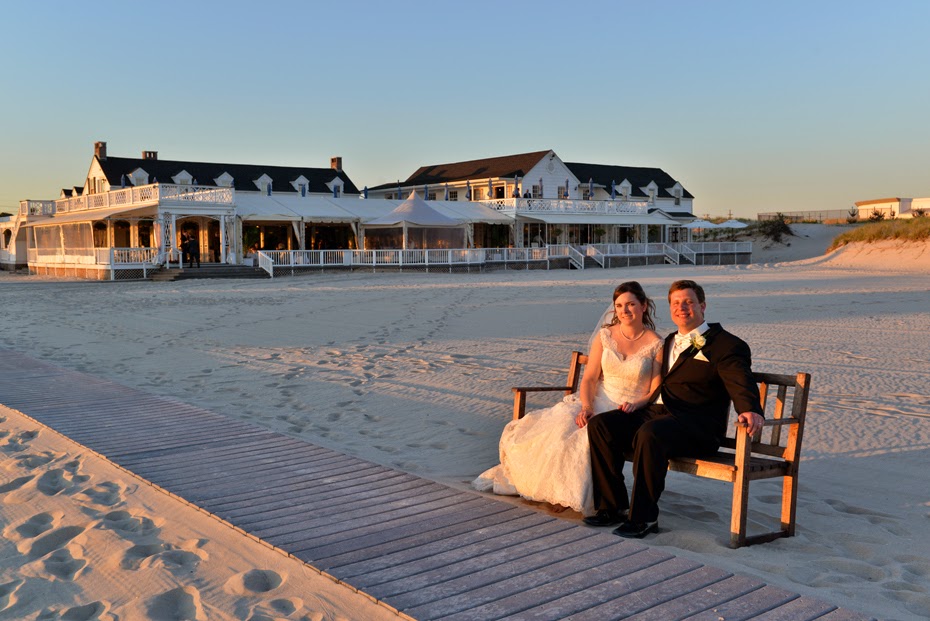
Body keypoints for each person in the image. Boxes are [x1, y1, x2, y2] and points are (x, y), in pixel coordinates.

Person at [583, 279, 764, 538]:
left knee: (650, 433)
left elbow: (739, 379)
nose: (682, 308)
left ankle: (643, 519)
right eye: (676, 303)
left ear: (702, 305)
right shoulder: (668, 341)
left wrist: (750, 408)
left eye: (689, 302)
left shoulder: (726, 345)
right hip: (658, 414)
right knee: (602, 425)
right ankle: (612, 507)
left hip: (696, 424)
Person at [473, 282, 663, 516]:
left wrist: (638, 403)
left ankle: (586, 499)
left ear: (643, 306)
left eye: (631, 304)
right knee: (563, 429)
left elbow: (655, 388)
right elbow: (590, 378)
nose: (625, 311)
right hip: (597, 399)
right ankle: (556, 492)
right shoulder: (606, 336)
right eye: (619, 306)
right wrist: (586, 406)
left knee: (586, 437)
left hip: (630, 408)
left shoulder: (656, 342)